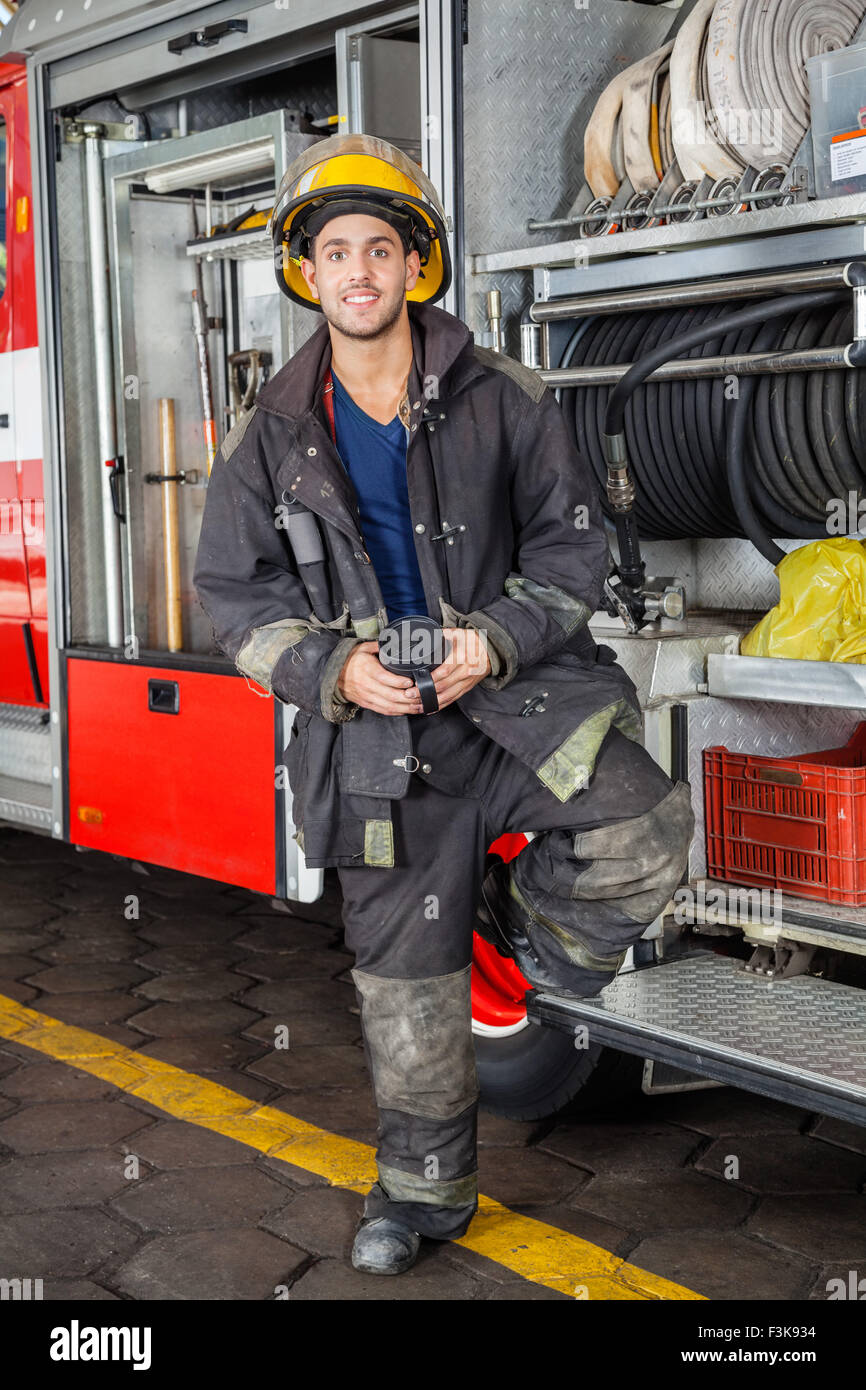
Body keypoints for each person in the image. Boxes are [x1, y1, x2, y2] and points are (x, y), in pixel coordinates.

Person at [192, 132, 694, 1277]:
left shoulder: (500, 396)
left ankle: (516, 932)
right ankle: (421, 1199)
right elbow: (231, 593)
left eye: (381, 247)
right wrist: (332, 674)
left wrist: (492, 641)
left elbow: (573, 557)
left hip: (512, 703)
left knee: (645, 828)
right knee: (408, 992)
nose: (358, 271)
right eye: (334, 251)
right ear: (304, 273)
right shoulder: (267, 432)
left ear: (416, 266)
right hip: (377, 740)